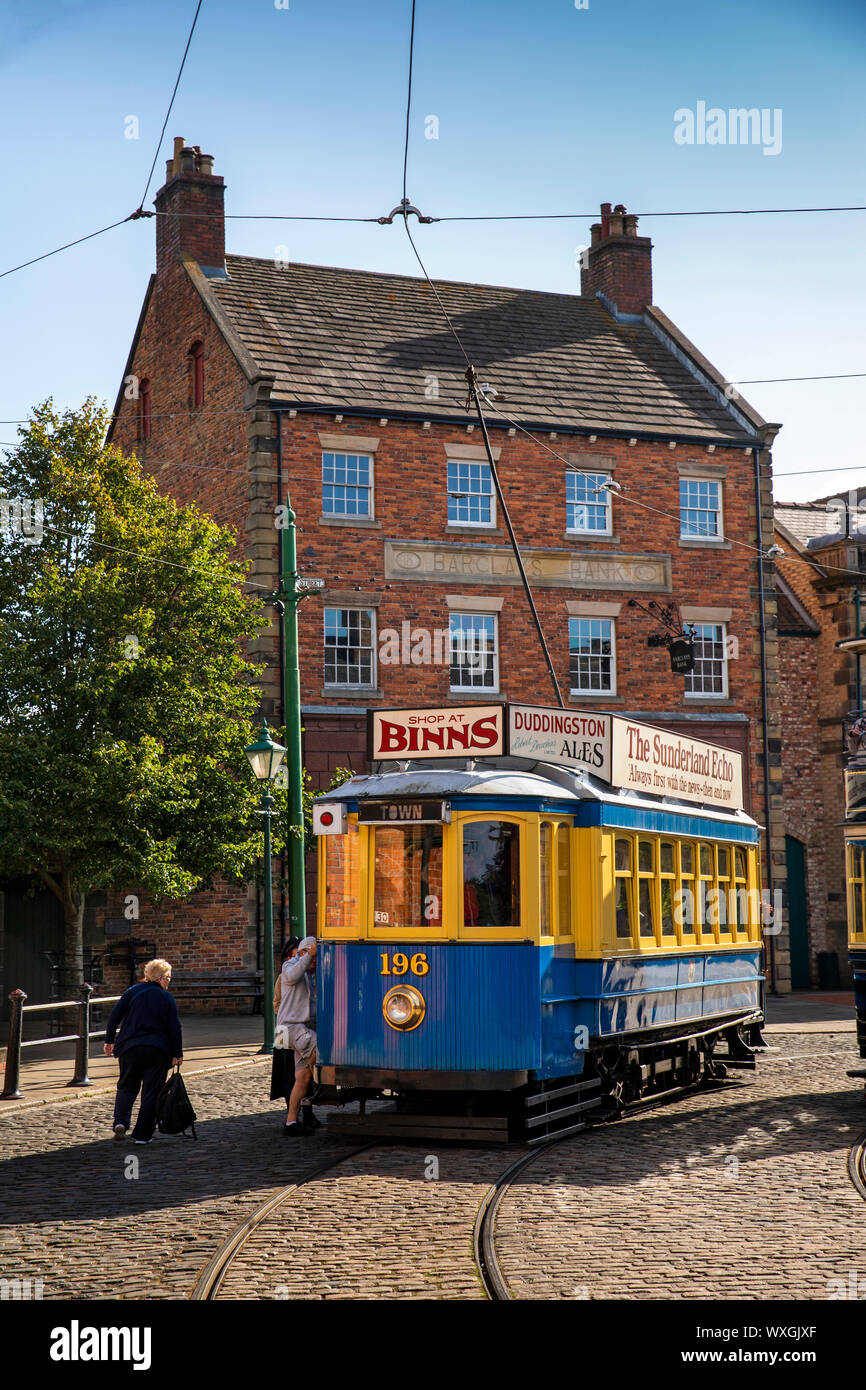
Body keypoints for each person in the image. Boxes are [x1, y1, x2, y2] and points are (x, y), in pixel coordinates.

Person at [104, 958, 183, 1145]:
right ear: (161, 978)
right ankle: (142, 1135)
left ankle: (121, 1122)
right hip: (157, 1050)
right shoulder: (166, 998)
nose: (169, 982)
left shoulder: (132, 992)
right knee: (151, 1093)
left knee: (127, 1086)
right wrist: (177, 1053)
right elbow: (175, 1028)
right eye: (169, 979)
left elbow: (114, 1016)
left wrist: (109, 1041)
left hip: (130, 1048)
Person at [276, 935, 318, 1137]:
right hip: (290, 1029)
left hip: (295, 1029)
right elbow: (292, 977)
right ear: (303, 953)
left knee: (302, 1077)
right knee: (324, 1045)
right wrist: (309, 956)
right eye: (313, 958)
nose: (314, 964)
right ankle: (319, 1080)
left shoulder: (310, 974)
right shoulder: (290, 966)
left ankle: (291, 1121)